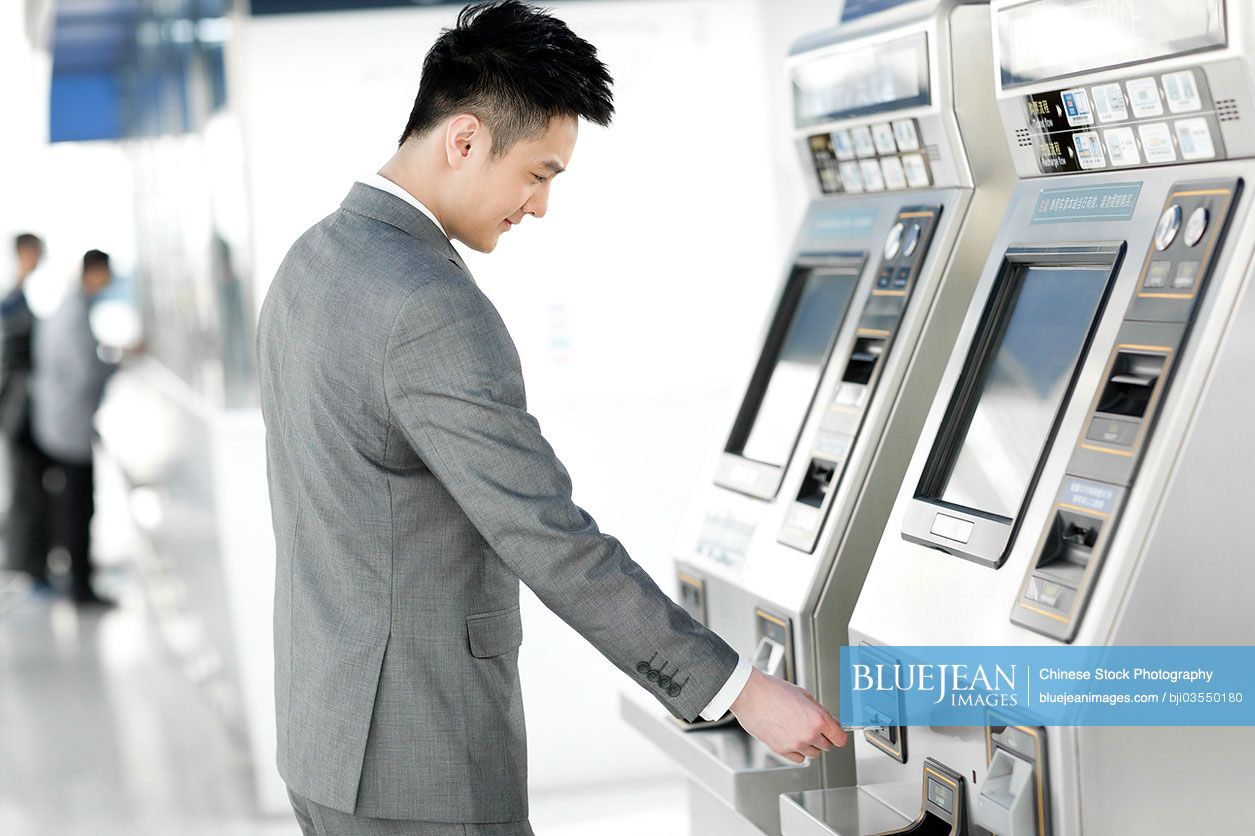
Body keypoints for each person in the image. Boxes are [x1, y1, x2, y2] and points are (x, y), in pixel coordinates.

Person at [257, 3, 846, 833]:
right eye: (538, 173)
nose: (537, 207)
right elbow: (545, 535)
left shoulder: (314, 259)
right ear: (463, 140)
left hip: (325, 740)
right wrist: (738, 690)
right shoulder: (429, 305)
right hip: (423, 760)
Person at [30, 249, 116, 607]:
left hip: (58, 423)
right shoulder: (76, 313)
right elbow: (86, 374)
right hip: (69, 425)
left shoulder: (66, 308)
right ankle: (82, 589)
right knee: (79, 508)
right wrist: (120, 364)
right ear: (94, 272)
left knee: (70, 506)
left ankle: (77, 581)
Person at [1, 233, 53, 588]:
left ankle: (30, 562)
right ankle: (28, 565)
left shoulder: (20, 299)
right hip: (17, 412)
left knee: (29, 488)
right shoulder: (11, 302)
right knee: (27, 489)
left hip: (21, 409)